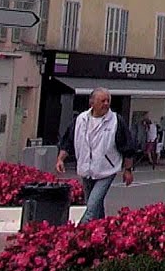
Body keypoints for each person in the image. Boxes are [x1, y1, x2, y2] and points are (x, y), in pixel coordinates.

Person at [55, 88, 136, 223]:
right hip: (86, 169)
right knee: (96, 206)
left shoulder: (116, 121)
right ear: (92, 103)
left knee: (91, 207)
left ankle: (79, 234)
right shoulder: (80, 120)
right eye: (102, 101)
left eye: (108, 101)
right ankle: (102, 230)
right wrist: (60, 159)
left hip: (106, 170)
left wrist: (128, 170)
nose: (106, 104)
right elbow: (68, 141)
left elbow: (127, 147)